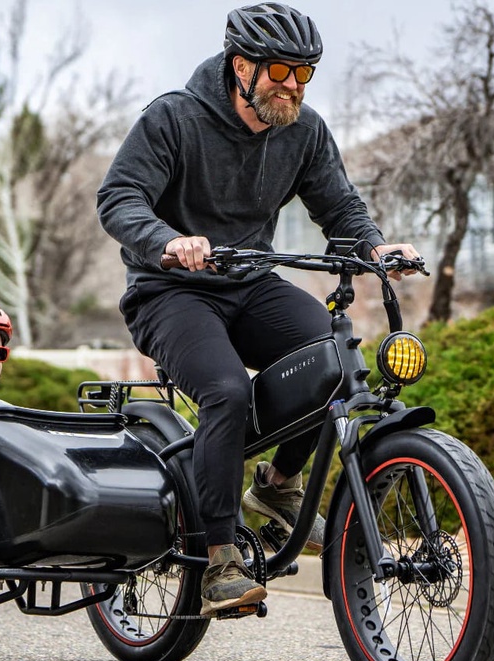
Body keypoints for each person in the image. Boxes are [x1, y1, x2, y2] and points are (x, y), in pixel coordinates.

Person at [96, 3, 420, 616]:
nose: (293, 86)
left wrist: (377, 248)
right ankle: (219, 556)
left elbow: (340, 210)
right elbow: (119, 197)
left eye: (305, 73)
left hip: (248, 280)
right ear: (241, 65)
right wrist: (167, 242)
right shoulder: (174, 118)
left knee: (332, 356)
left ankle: (277, 488)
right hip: (170, 290)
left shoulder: (303, 130)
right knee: (225, 391)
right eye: (280, 71)